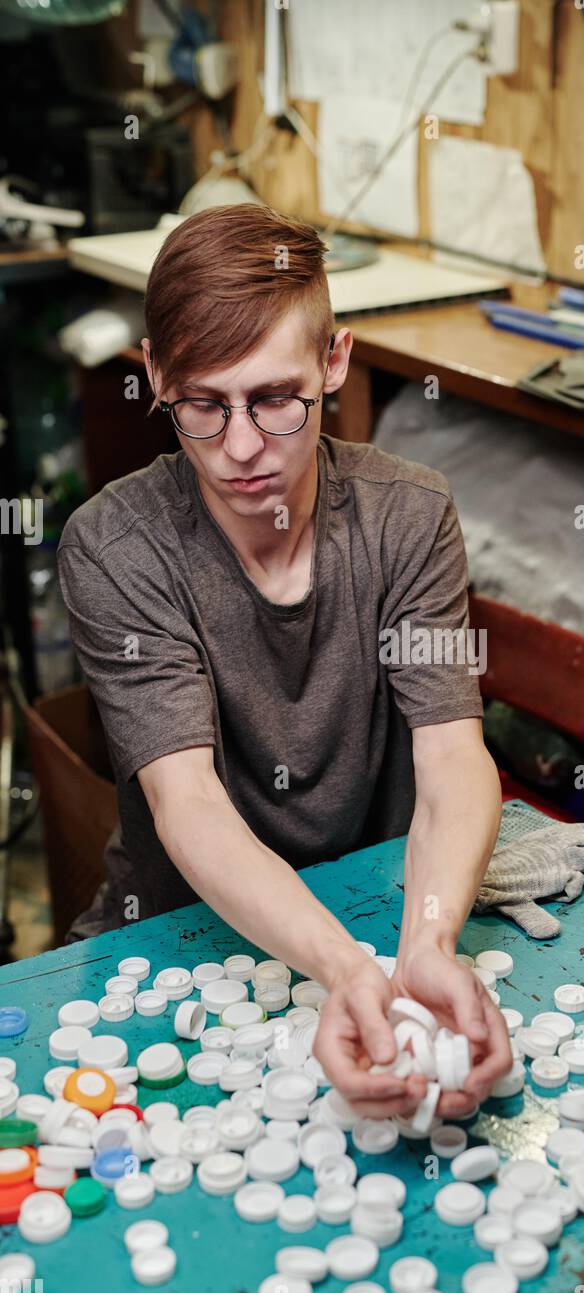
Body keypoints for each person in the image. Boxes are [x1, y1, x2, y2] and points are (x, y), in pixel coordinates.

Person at [57, 203, 511, 1117]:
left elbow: (454, 754)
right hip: (179, 938)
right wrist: (343, 966)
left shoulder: (409, 516)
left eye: (274, 399)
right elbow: (187, 801)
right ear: (153, 378)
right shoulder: (113, 547)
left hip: (382, 903)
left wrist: (425, 941)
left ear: (334, 362)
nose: (240, 447)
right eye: (201, 404)